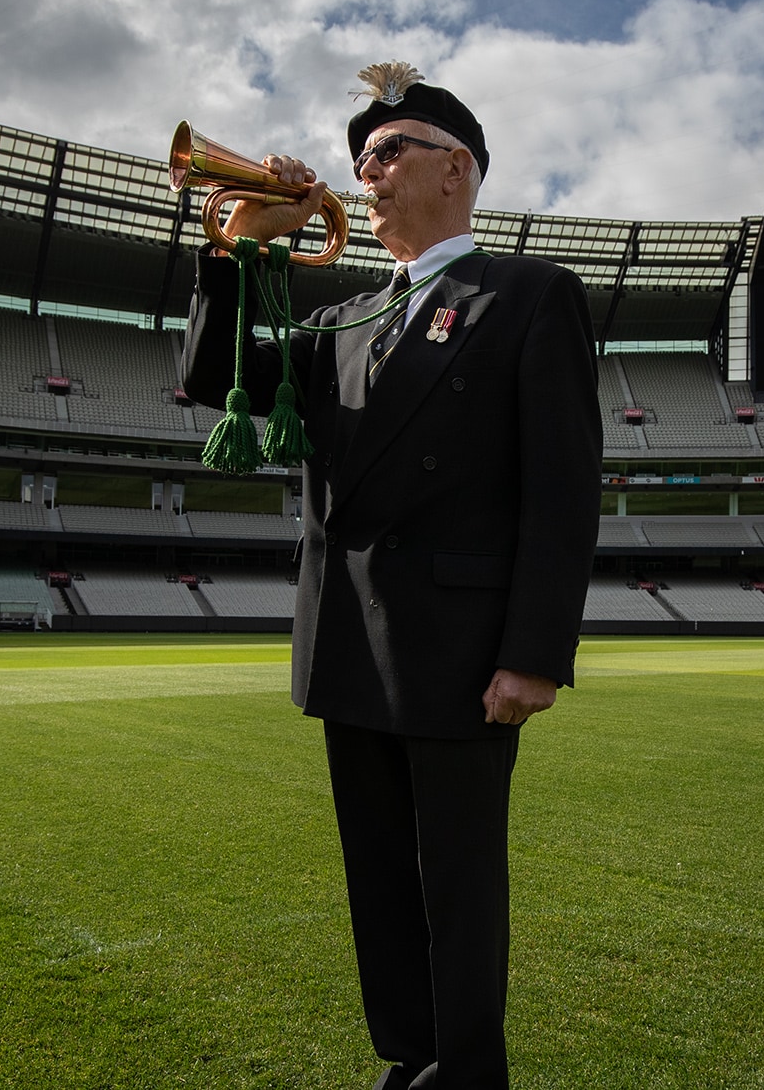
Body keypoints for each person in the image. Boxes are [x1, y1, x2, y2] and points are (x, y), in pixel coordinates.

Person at [182, 63, 602, 1090]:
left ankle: (466, 1070)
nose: (359, 174)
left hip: (461, 652)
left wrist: (534, 654)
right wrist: (235, 253)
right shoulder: (348, 318)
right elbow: (213, 379)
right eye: (359, 158)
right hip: (346, 640)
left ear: (454, 168)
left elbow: (561, 486)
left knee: (455, 883)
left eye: (384, 153)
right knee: (378, 880)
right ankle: (411, 1057)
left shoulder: (530, 295)